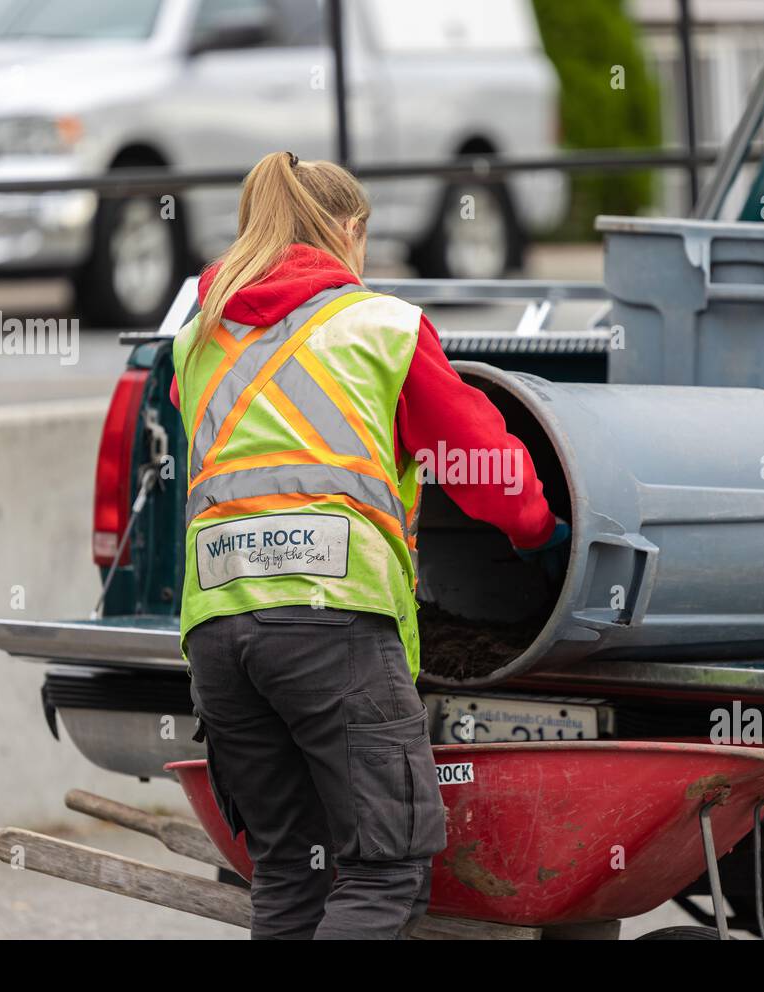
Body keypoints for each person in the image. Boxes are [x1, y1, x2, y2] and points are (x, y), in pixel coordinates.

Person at [171, 151, 569, 940]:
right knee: (385, 868)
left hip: (217, 632)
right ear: (350, 231)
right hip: (333, 625)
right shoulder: (381, 327)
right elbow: (480, 462)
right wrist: (540, 535)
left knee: (290, 873)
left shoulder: (196, 340)